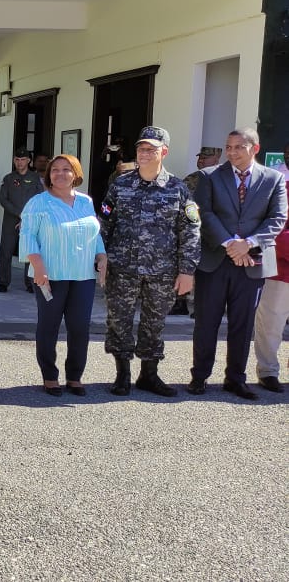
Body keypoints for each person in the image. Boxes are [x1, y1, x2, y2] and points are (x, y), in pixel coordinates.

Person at [99, 126, 200, 397]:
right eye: (141, 148)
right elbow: (104, 225)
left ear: (163, 152)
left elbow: (190, 230)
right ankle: (123, 374)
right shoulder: (120, 185)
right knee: (118, 320)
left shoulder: (179, 189)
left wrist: (187, 271)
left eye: (151, 149)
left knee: (154, 322)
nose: (144, 153)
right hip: (122, 268)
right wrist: (100, 258)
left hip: (162, 271)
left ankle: (149, 374)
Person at [190, 128, 287, 400]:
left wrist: (249, 243)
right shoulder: (209, 176)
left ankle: (235, 379)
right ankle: (199, 376)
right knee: (206, 322)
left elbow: (277, 218)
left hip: (252, 261)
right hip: (215, 260)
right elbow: (204, 213)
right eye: (228, 147)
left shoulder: (274, 179)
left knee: (243, 325)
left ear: (254, 148)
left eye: (238, 147)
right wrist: (230, 243)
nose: (231, 152)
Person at [20, 154, 107, 396]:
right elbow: (27, 236)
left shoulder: (85, 202)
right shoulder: (38, 203)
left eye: (66, 169)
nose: (60, 174)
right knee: (49, 327)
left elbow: (95, 234)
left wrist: (102, 256)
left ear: (76, 174)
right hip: (50, 276)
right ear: (48, 175)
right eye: (55, 170)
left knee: (80, 327)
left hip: (82, 275)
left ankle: (75, 376)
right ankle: (50, 376)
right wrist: (37, 266)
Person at [171, 146, 222, 315]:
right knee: (184, 264)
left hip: (212, 231)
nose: (201, 160)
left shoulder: (223, 178)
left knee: (206, 270)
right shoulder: (192, 178)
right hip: (192, 229)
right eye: (200, 157)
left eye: (206, 158)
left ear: (217, 158)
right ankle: (181, 302)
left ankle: (203, 307)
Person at [0, 148, 43, 293]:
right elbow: (3, 200)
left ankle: (30, 283)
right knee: (6, 251)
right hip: (11, 220)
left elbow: (40, 199)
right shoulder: (8, 178)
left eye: (23, 159)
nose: (19, 162)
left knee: (29, 251)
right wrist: (19, 214)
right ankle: (3, 282)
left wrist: (27, 216)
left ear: (29, 161)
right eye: (17, 159)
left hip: (30, 221)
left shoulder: (35, 178)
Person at [251, 222, 289, 393]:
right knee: (271, 324)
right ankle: (268, 371)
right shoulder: (281, 193)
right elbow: (273, 228)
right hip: (278, 269)